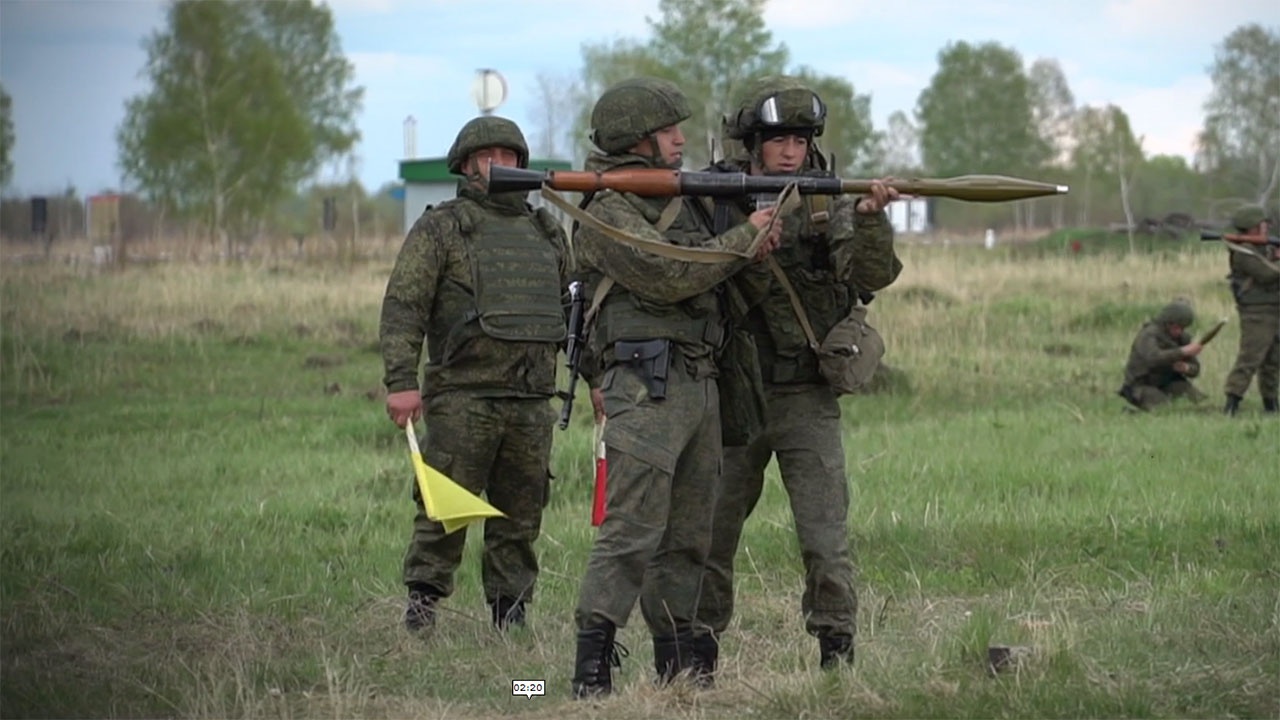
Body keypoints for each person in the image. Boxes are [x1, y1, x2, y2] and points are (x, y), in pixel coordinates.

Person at [568, 76, 783, 699]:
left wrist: (756, 251)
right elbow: (665, 273)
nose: (681, 140)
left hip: (698, 378)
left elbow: (724, 287)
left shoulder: (687, 201)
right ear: (635, 140)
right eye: (667, 132)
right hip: (645, 383)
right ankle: (589, 674)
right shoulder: (604, 207)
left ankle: (676, 670)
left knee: (691, 536)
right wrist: (740, 239)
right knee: (632, 529)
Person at [692, 76, 903, 677]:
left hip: (805, 395)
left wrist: (870, 220)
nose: (791, 151)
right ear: (752, 142)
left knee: (824, 537)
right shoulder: (712, 198)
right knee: (711, 535)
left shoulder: (827, 201)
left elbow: (870, 275)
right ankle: (696, 658)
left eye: (801, 140)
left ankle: (837, 653)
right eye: (779, 139)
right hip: (733, 394)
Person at [378, 116, 570, 634]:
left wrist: (597, 379)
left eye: (508, 157)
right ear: (465, 166)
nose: (498, 165)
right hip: (463, 398)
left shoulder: (546, 230)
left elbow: (572, 312)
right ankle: (422, 610)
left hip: (531, 400)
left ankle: (511, 619)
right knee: (443, 511)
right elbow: (404, 306)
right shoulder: (442, 228)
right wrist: (401, 381)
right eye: (487, 157)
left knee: (520, 518)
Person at [1221, 205, 1279, 416]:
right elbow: (1268, 274)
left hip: (1274, 308)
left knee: (1273, 360)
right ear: (1253, 226)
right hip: (1257, 313)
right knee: (1250, 358)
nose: (1267, 227)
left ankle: (1271, 404)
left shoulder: (1263, 248)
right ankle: (1232, 403)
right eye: (1263, 224)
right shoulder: (1243, 252)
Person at [1117, 300, 1205, 411]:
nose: (1179, 331)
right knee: (1164, 409)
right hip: (1143, 385)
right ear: (1168, 323)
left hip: (1169, 383)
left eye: (1182, 328)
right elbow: (1153, 358)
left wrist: (1186, 368)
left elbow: (1195, 369)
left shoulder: (1183, 338)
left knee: (1199, 402)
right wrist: (1182, 351)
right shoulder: (1149, 334)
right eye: (1177, 327)